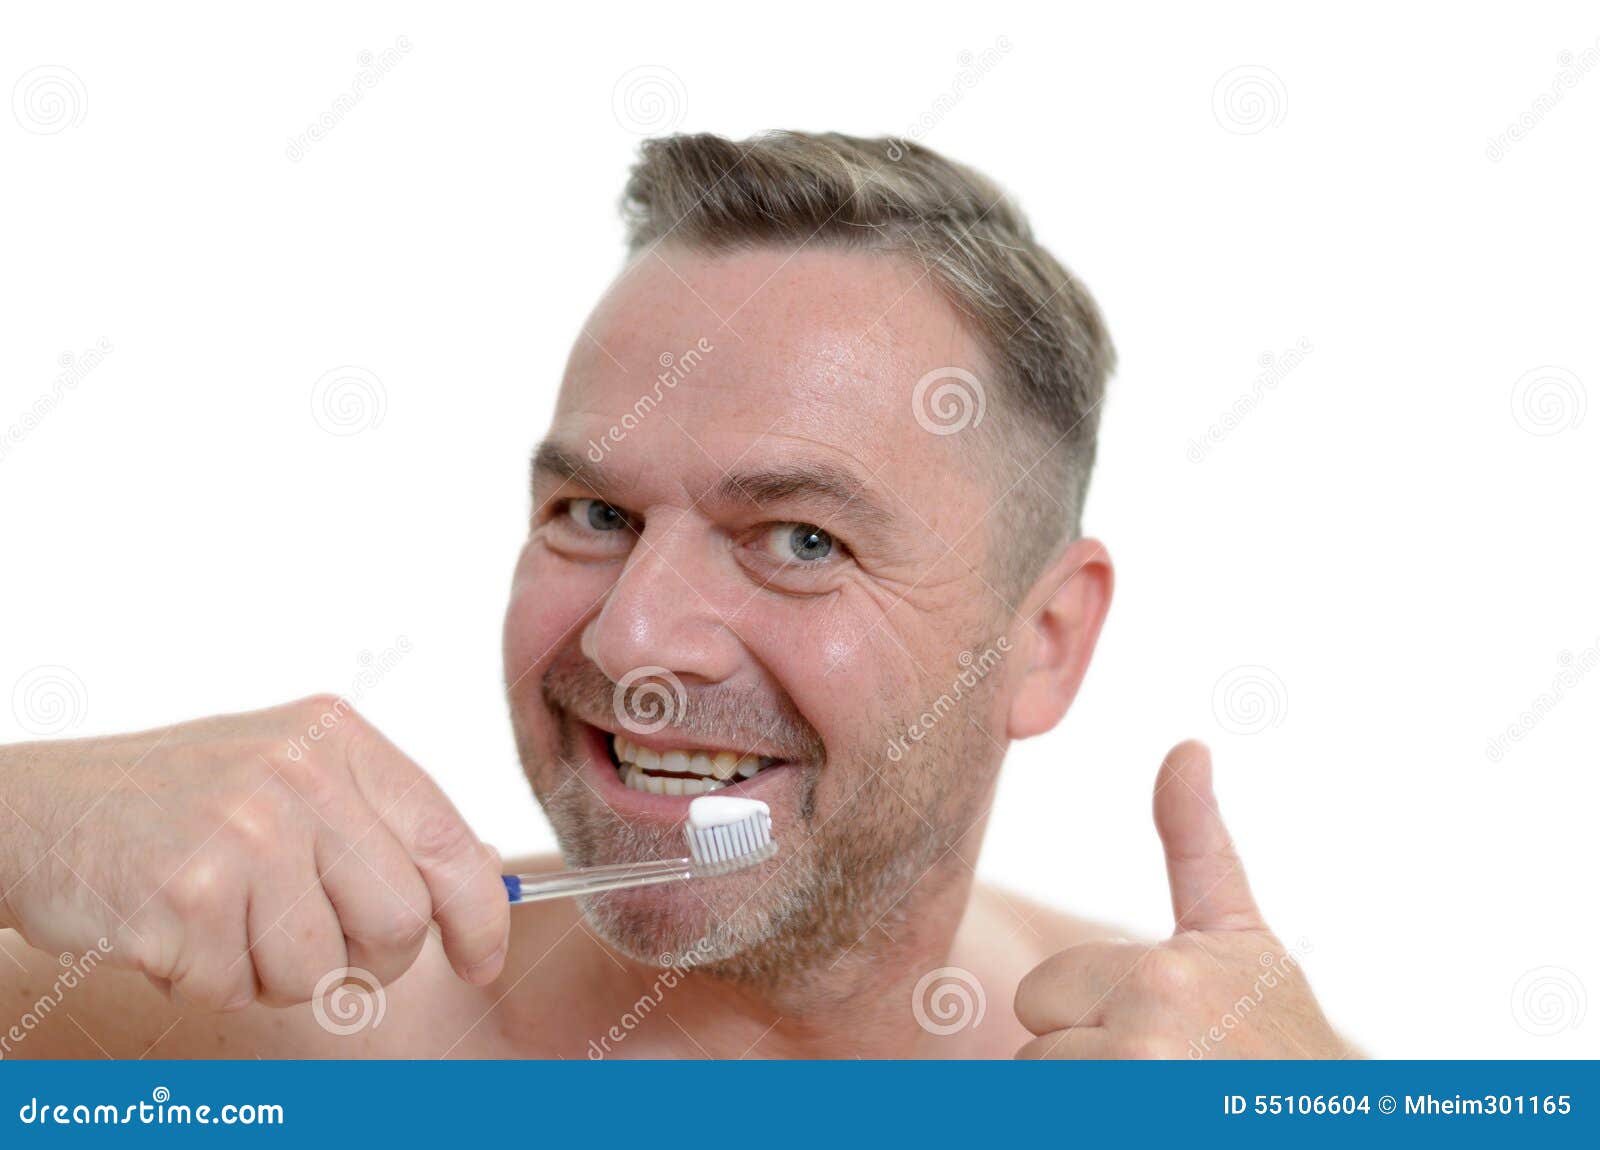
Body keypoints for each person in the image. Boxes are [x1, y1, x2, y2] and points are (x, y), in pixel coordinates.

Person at [0, 131, 1345, 1059]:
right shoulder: (251, 1029)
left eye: (800, 539)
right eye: (594, 515)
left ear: (1045, 642)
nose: (631, 634)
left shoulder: (1185, 1077)